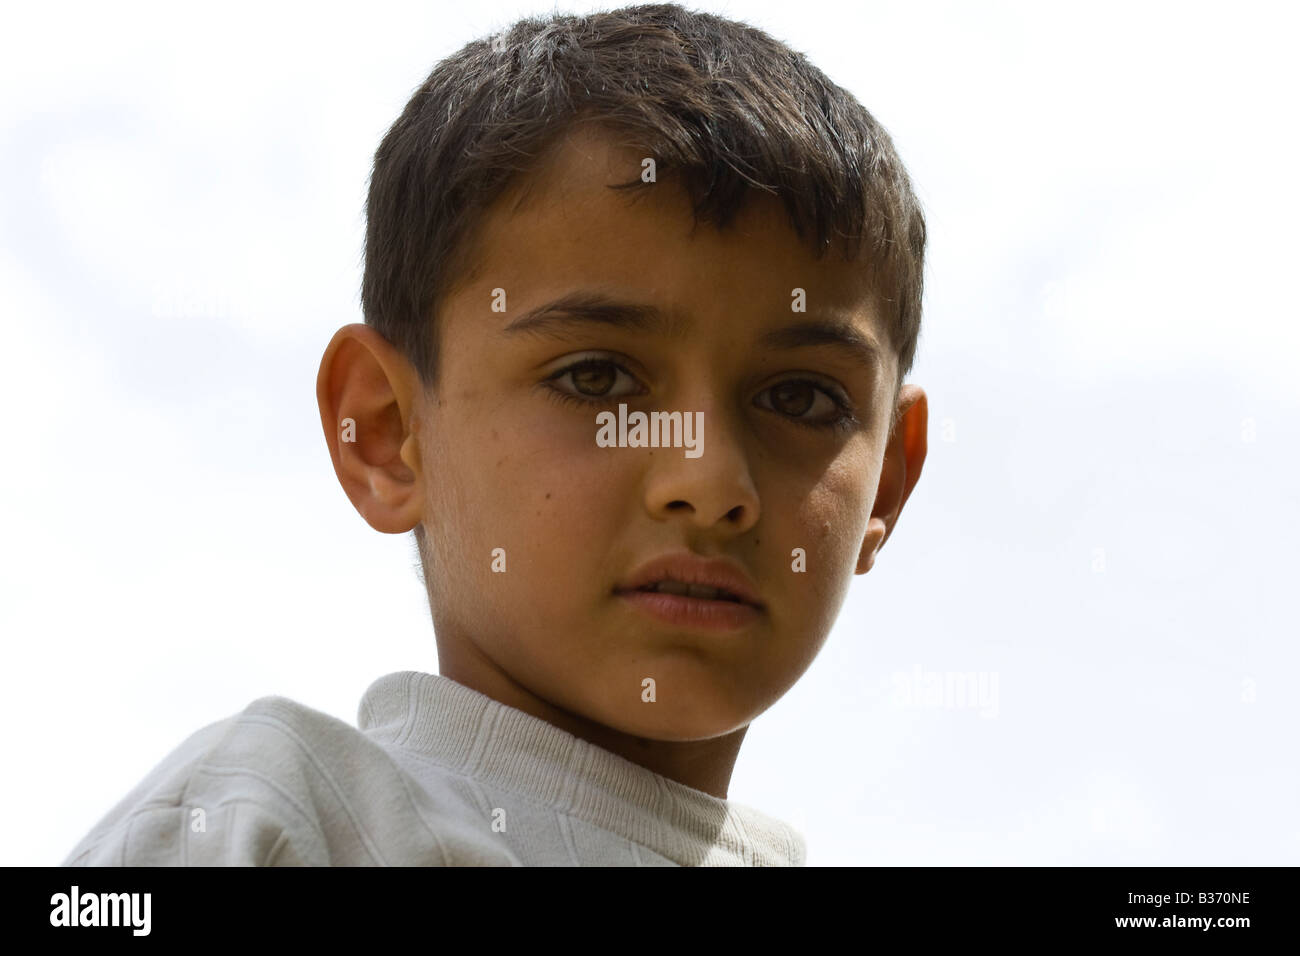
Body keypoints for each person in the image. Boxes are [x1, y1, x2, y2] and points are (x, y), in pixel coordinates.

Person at [63, 1, 928, 867]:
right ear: (388, 434)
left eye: (802, 399)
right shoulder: (282, 815)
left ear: (885, 483)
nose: (708, 482)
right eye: (596, 379)